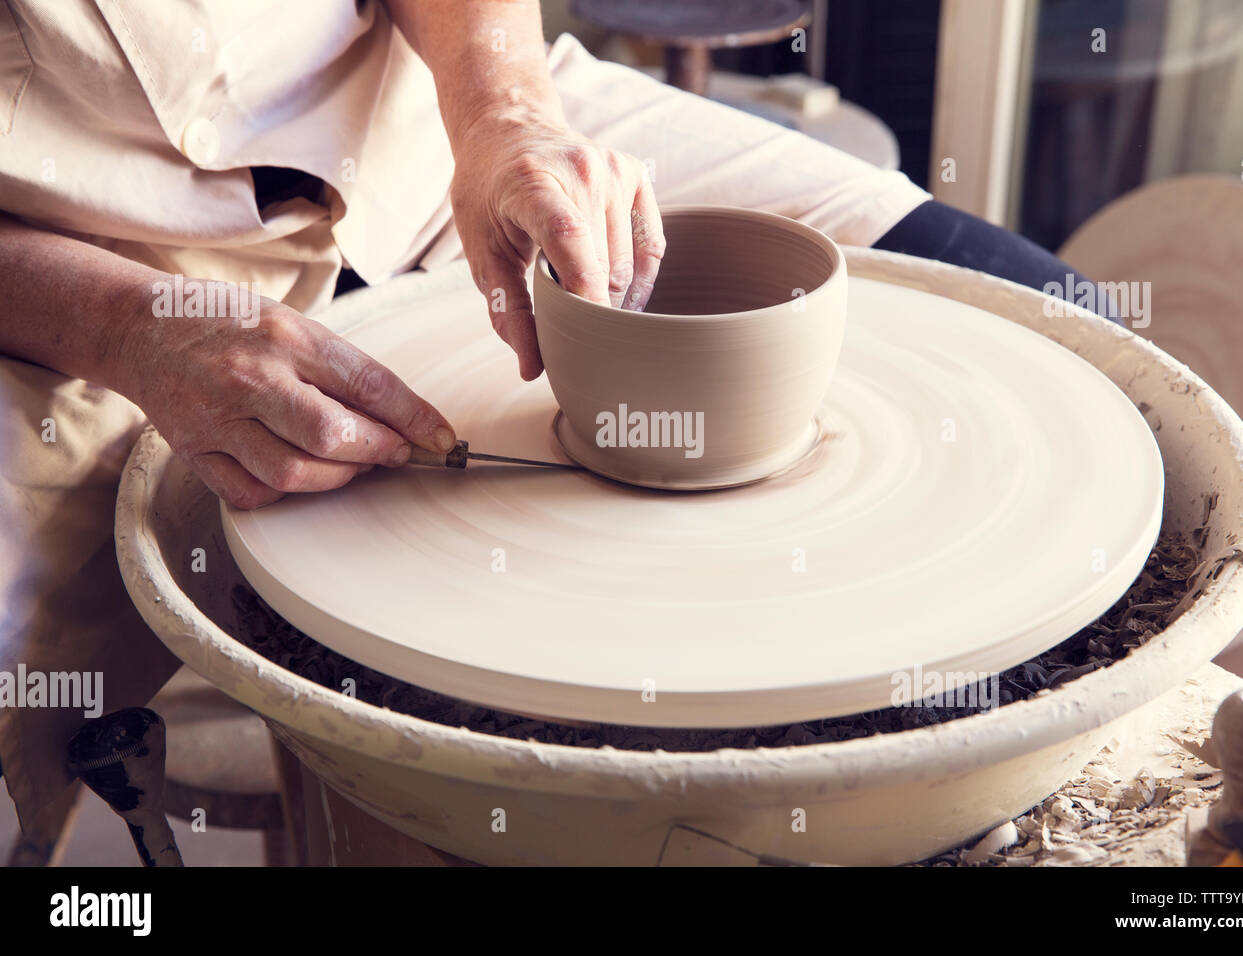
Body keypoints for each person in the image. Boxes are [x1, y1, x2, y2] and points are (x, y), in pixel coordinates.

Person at [0, 0, 1087, 857]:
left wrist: (503, 108)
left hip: (424, 124)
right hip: (83, 267)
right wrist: (127, 327)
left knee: (1044, 312)